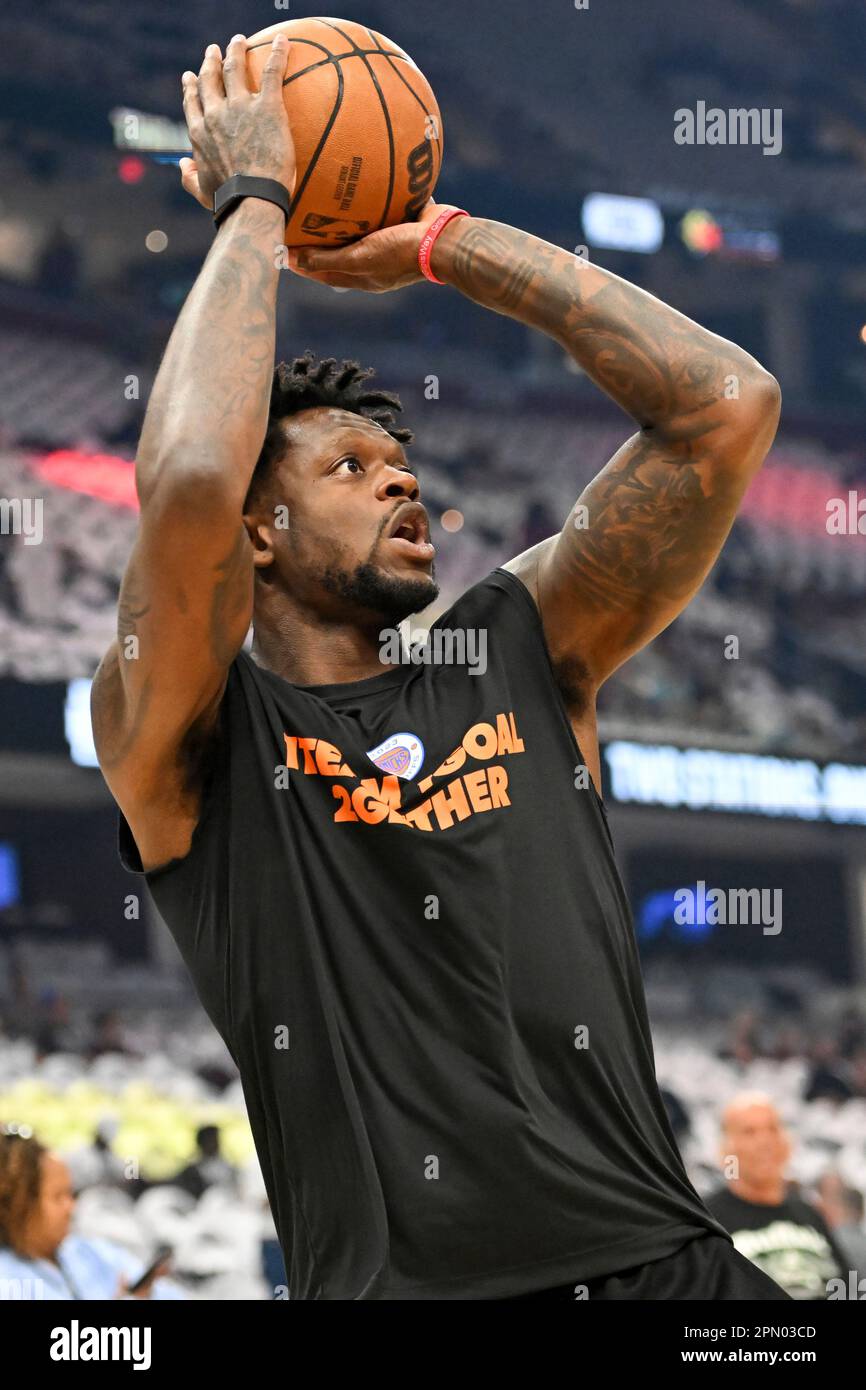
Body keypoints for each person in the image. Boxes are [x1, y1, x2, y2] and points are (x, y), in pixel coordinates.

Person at [92, 33, 786, 1300]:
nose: (402, 476)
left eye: (399, 461)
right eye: (348, 469)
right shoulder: (194, 736)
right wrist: (257, 203)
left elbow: (723, 407)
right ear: (261, 531)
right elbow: (190, 477)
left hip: (673, 1275)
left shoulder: (515, 648)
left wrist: (438, 241)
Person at [0, 1126, 185, 1300]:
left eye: (71, 1193)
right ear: (17, 1205)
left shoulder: (90, 1251)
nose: (72, 1207)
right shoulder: (8, 1280)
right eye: (58, 1197)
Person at [705, 1093, 849, 1300]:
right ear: (724, 1150)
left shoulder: (809, 1213)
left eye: (773, 1129)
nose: (765, 1142)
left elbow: (848, 1286)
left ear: (787, 1143)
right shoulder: (706, 1220)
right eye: (749, 1132)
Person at [171, 1125, 237, 1201]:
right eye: (211, 1140)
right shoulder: (192, 1170)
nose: (216, 1143)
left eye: (216, 1139)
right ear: (201, 1142)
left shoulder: (227, 1165)